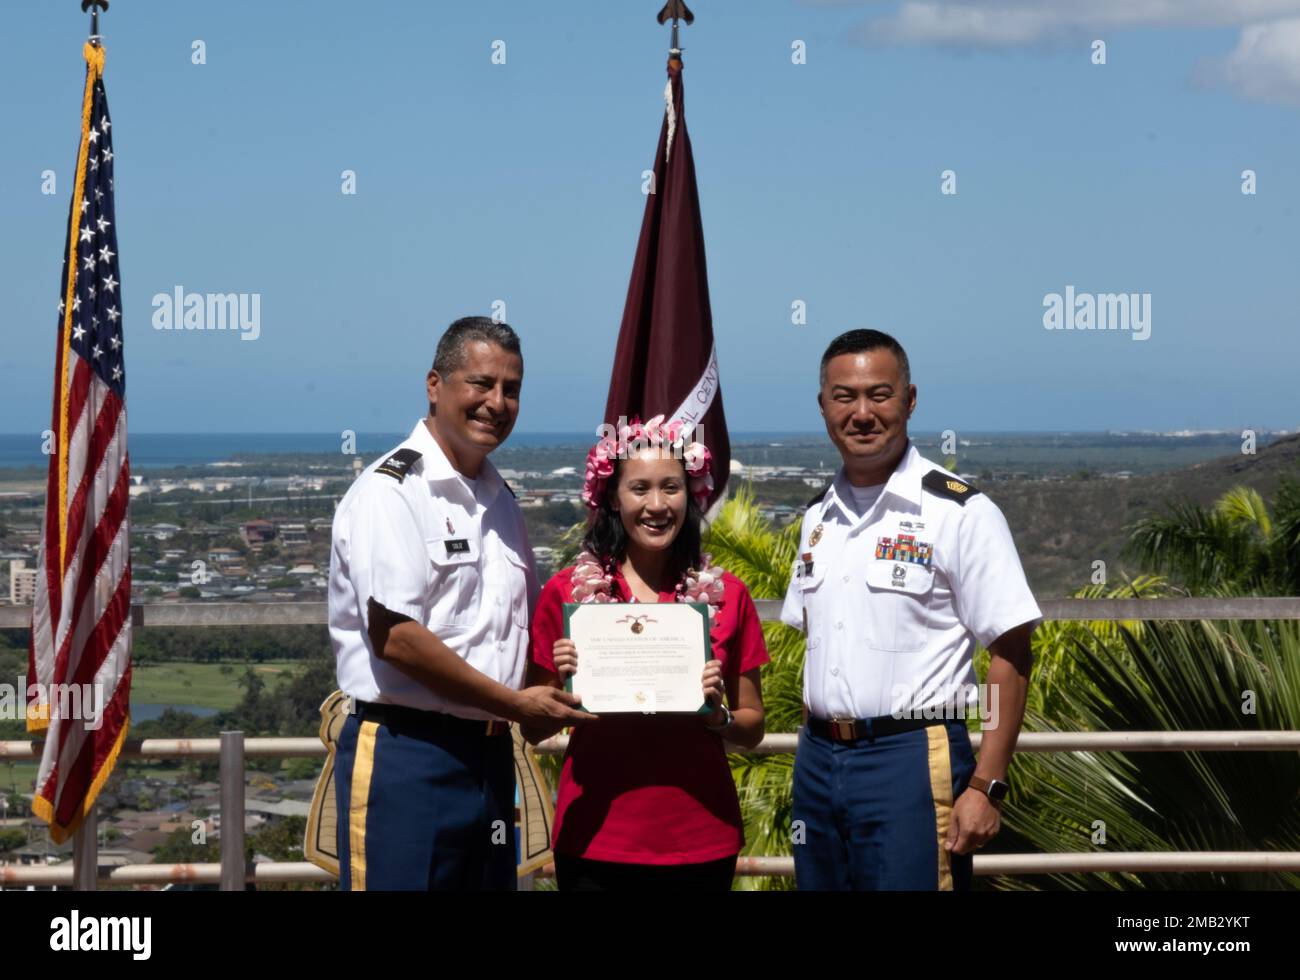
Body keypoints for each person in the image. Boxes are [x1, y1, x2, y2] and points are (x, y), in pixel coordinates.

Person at [328, 316, 593, 891]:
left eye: (511, 389)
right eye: (481, 384)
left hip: (491, 763)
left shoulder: (502, 503)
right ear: (434, 385)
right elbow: (397, 638)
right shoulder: (391, 491)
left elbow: (511, 634)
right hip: (408, 758)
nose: (497, 403)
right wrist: (518, 705)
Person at [781, 329, 1041, 891]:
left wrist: (987, 786)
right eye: (844, 396)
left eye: (880, 394)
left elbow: (1012, 654)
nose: (862, 413)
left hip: (913, 761)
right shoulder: (816, 518)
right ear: (823, 404)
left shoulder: (961, 513)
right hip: (818, 761)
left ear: (911, 399)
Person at [522, 416, 768, 891]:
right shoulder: (567, 595)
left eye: (671, 487)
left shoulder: (729, 595)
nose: (657, 505)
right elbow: (533, 728)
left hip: (700, 833)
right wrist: (564, 691)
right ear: (614, 497)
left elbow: (753, 726)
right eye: (639, 488)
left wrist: (718, 717)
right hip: (596, 835)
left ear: (690, 494)